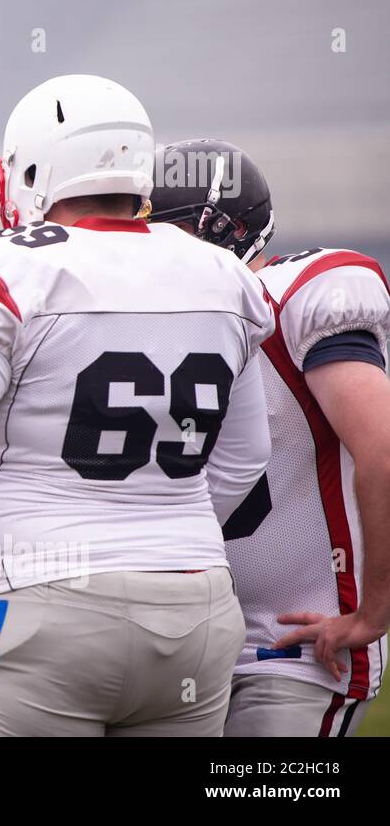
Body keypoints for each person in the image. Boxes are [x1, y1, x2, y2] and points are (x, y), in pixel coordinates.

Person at [0, 75, 274, 736]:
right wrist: (155, 532)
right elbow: (247, 456)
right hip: (197, 608)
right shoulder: (225, 275)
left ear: (32, 171)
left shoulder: (6, 269)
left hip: (44, 604)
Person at [149, 139, 390, 736]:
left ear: (230, 229)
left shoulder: (301, 297)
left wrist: (375, 610)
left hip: (290, 648)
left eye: (167, 232)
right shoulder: (134, 323)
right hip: (170, 642)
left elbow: (382, 449)